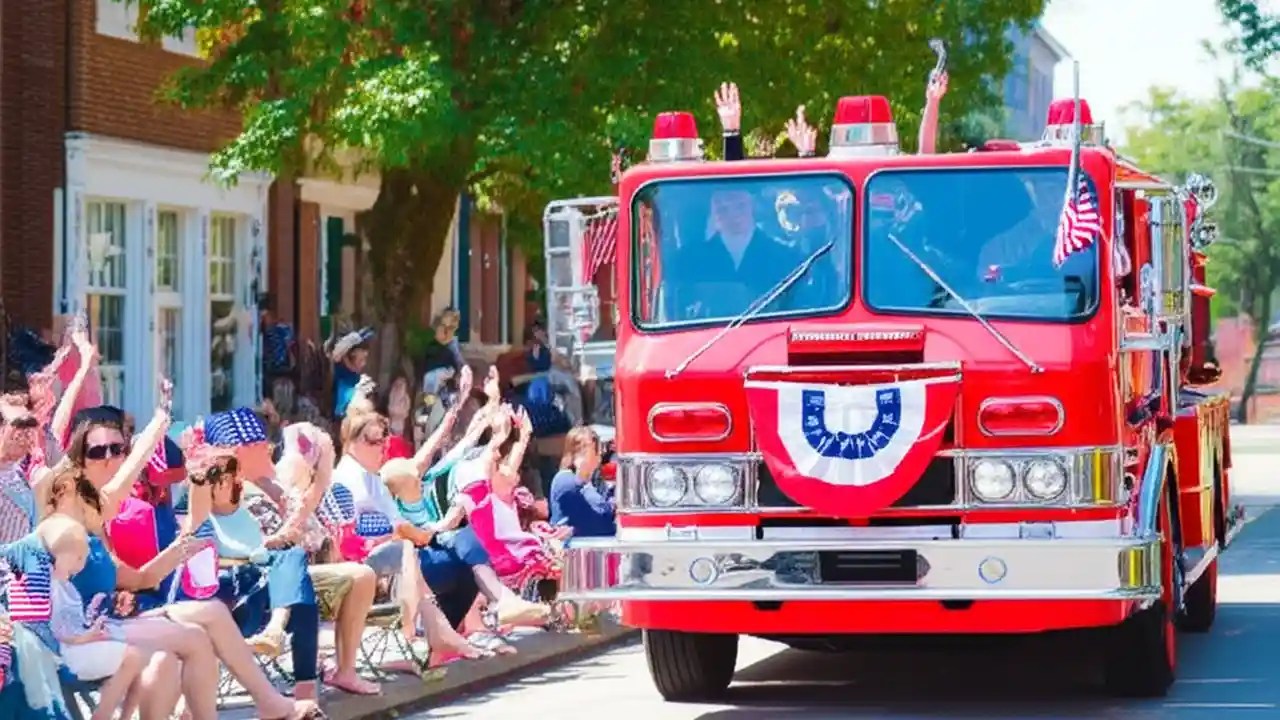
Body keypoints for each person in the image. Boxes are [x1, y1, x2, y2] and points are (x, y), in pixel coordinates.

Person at [43, 515, 150, 720]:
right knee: (134, 656)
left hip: (74, 644)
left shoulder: (62, 582)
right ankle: (106, 715)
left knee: (140, 650)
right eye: (79, 557)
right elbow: (57, 630)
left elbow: (70, 622)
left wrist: (93, 628)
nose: (81, 564)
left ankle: (120, 715)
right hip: (64, 655)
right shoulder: (51, 584)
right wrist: (87, 636)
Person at [548, 427, 615, 539]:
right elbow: (601, 518)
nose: (598, 458)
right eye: (595, 452)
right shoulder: (565, 482)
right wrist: (584, 477)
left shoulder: (593, 483)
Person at [329, 327, 374, 421]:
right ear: (346, 358)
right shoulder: (342, 376)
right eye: (361, 359)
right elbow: (335, 354)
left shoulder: (360, 380)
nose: (364, 364)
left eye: (365, 359)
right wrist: (355, 339)